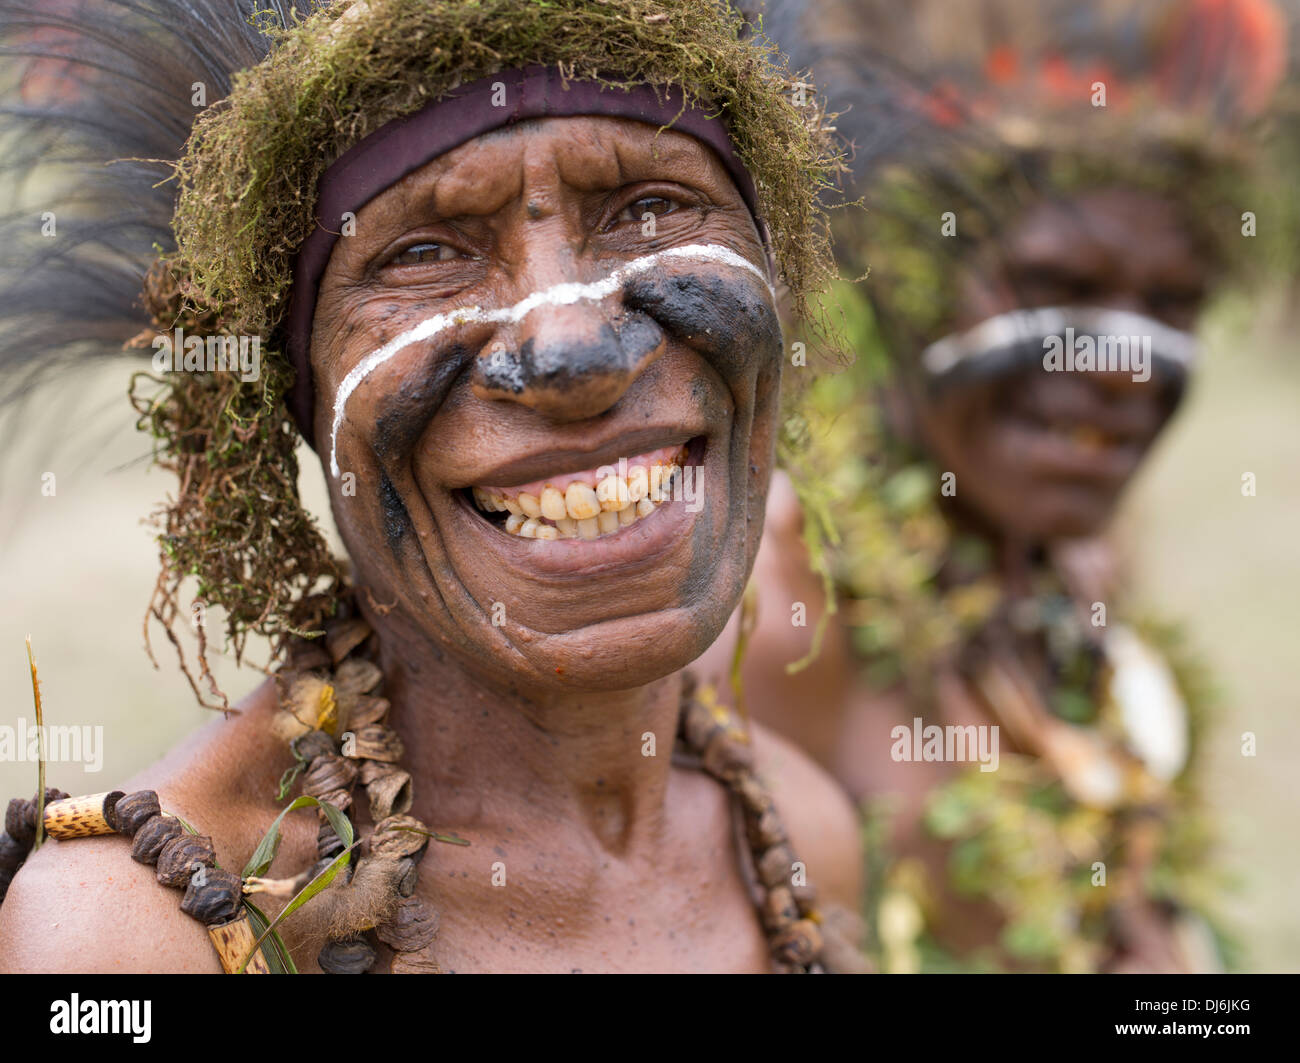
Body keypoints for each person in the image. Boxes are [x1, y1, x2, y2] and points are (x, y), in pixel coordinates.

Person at [0, 0, 866, 974]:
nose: (573, 351)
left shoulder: (793, 837)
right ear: (299, 400)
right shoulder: (137, 935)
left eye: (649, 207)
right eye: (423, 253)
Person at [700, 0, 1290, 972]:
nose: (1121, 365)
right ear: (897, 283)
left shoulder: (1076, 556)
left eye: (1170, 301)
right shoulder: (783, 612)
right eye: (1050, 284)